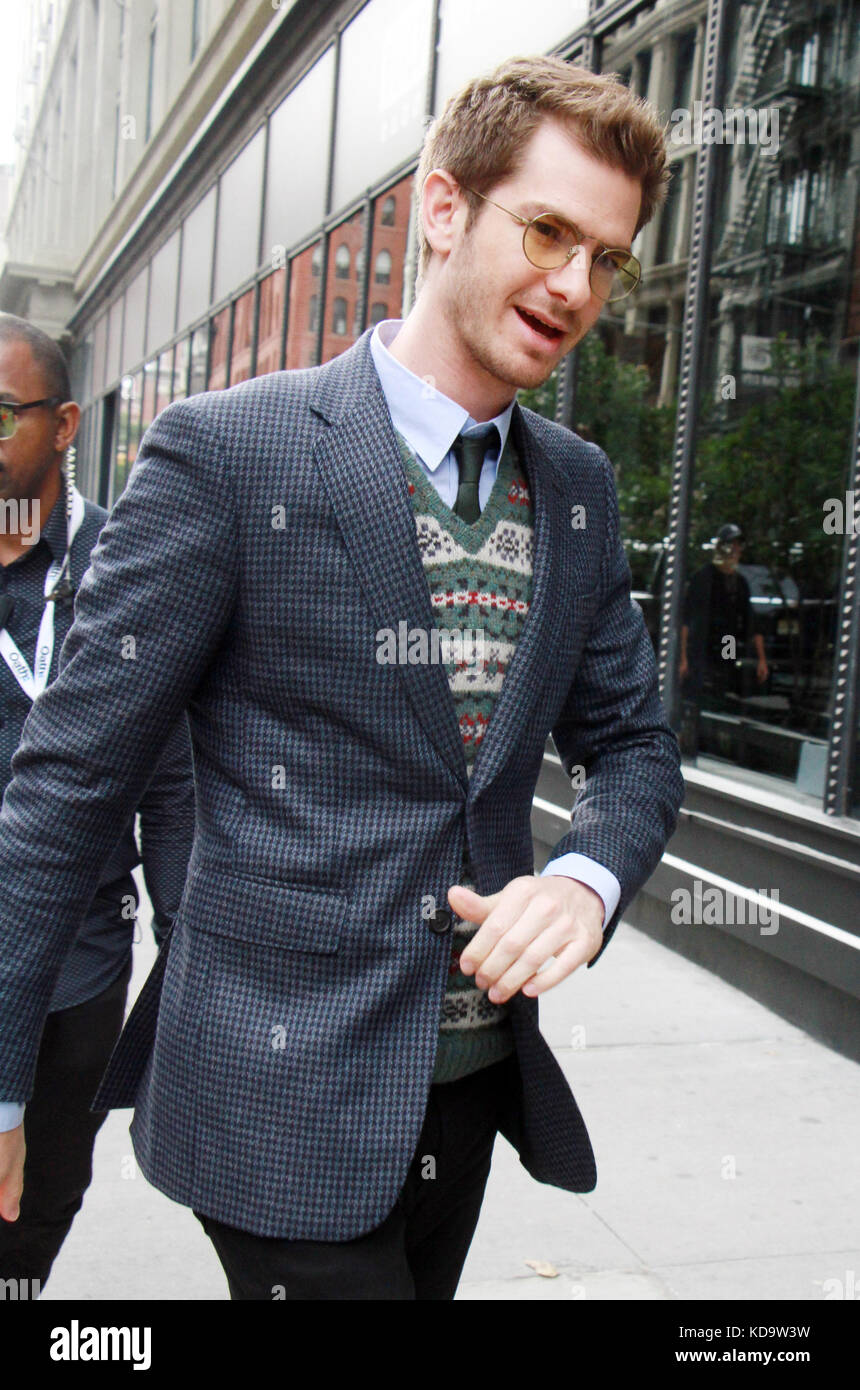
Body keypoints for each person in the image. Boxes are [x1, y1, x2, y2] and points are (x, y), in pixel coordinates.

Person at [0, 57, 684, 1300]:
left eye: (606, 259)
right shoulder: (229, 454)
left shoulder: (577, 487)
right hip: (274, 1100)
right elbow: (67, 785)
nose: (575, 287)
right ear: (442, 208)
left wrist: (583, 880)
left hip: (467, 1095)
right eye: (546, 232)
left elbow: (632, 746)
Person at [0, 315, 195, 1294]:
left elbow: (171, 779)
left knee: (39, 1200)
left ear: (66, 422)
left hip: (78, 962)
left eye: (1, 414)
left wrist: (187, 949)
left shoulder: (126, 563)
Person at [680, 522, 769, 705]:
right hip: (702, 646)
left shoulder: (739, 583)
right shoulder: (703, 578)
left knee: (722, 689)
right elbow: (686, 620)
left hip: (727, 644)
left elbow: (751, 621)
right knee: (697, 694)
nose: (735, 551)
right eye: (730, 545)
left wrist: (762, 659)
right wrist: (683, 658)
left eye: (738, 546)